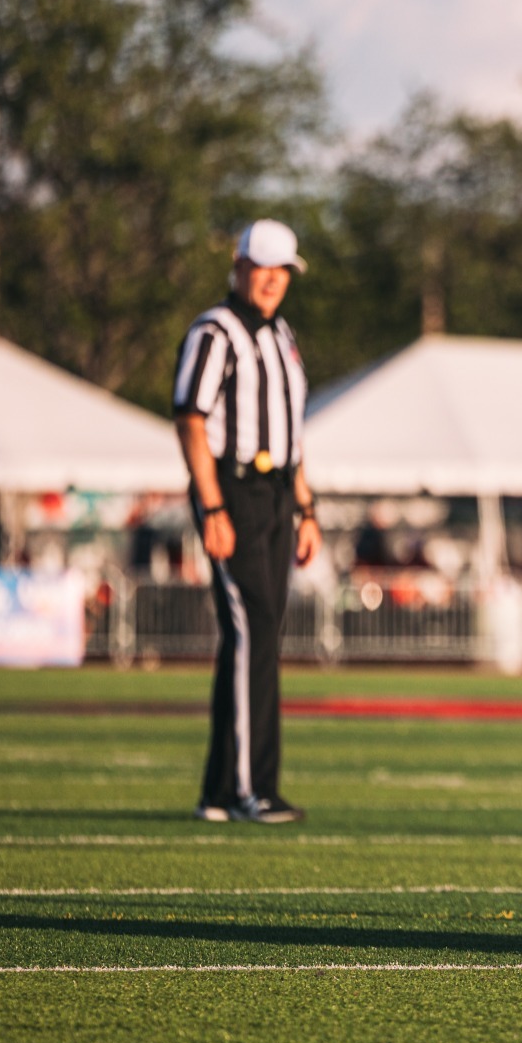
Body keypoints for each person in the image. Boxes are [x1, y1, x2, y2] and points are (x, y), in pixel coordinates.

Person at [171, 219, 322, 824]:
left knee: (258, 635)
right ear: (237, 266)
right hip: (233, 489)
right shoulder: (214, 331)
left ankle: (219, 789)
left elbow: (293, 434)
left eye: (281, 268)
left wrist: (307, 507)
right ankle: (248, 788)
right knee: (252, 629)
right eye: (261, 266)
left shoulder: (282, 335)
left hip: (280, 491)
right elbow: (190, 418)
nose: (271, 279)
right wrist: (211, 505)